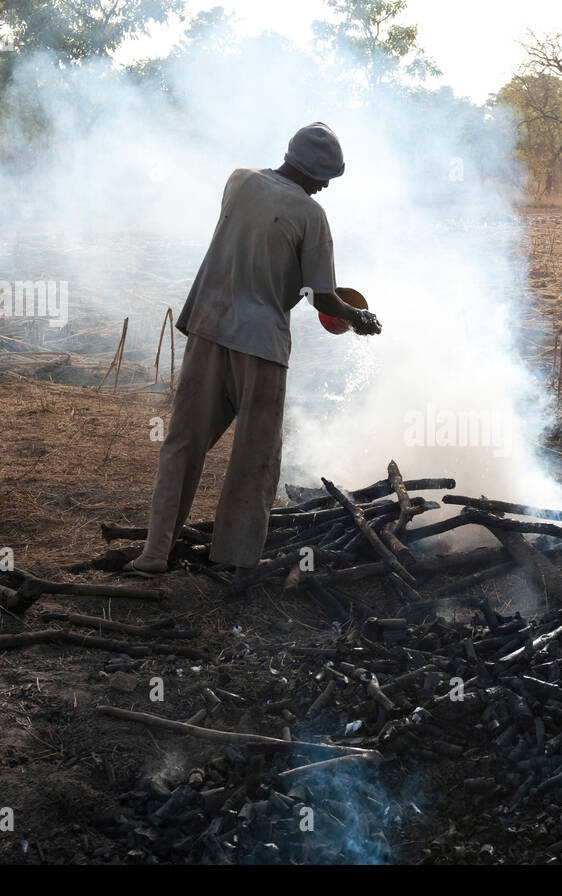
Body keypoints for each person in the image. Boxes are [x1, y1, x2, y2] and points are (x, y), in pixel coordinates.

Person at [129, 122, 381, 586]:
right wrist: (358, 318)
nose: (324, 187)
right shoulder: (312, 215)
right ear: (315, 174)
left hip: (209, 325)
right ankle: (233, 558)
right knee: (255, 454)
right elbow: (322, 298)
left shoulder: (239, 179)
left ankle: (153, 553)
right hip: (261, 345)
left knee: (182, 443)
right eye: (325, 178)